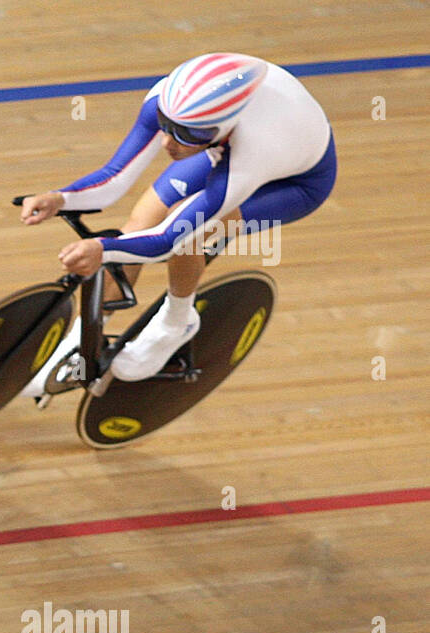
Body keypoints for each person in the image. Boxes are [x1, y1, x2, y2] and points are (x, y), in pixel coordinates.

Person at [18, 52, 336, 394]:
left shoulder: (255, 150)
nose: (169, 143)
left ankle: (177, 322)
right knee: (140, 220)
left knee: (192, 232)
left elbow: (169, 238)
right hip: (227, 145)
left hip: (295, 183)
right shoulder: (172, 101)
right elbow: (115, 178)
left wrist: (102, 248)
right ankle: (82, 340)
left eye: (186, 134)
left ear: (222, 125)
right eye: (165, 126)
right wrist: (61, 198)